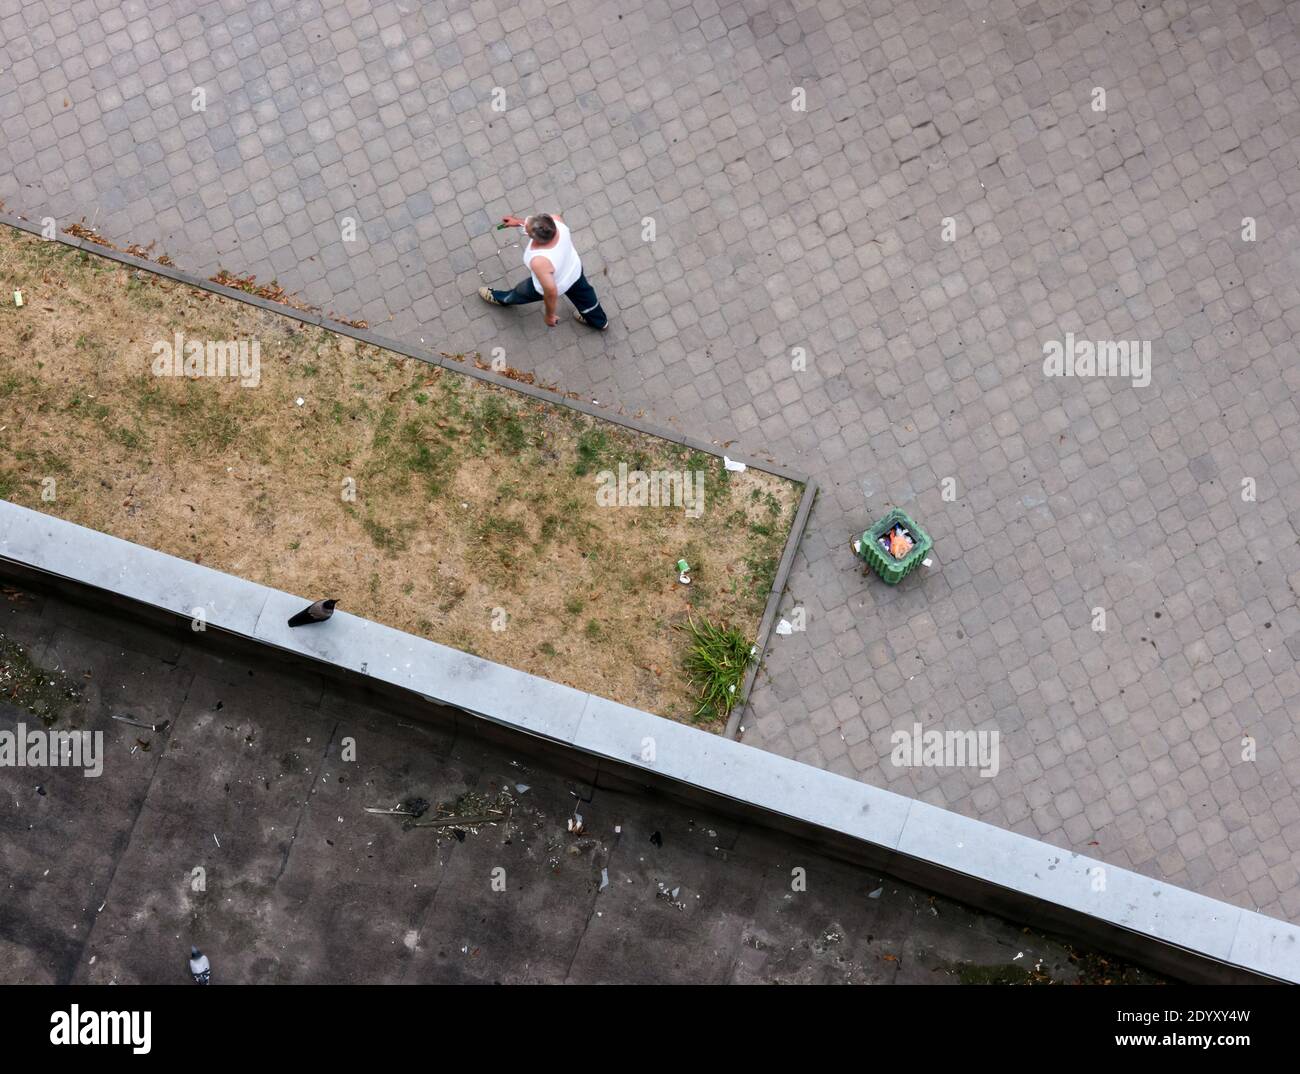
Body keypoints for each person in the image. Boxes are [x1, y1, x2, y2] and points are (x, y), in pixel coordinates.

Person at [478, 212, 608, 330]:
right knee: (587, 299)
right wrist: (518, 222)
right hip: (574, 271)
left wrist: (549, 315)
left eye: (527, 231)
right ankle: (600, 322)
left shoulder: (540, 261)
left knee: (520, 292)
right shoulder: (556, 220)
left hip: (555, 283)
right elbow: (536, 225)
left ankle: (502, 299)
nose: (526, 227)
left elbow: (551, 292)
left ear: (537, 240)